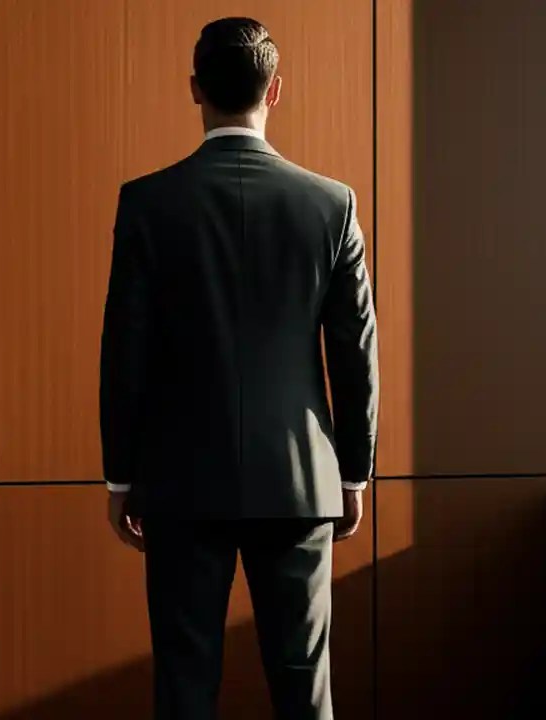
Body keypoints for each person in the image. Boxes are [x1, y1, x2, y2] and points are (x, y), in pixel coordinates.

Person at [99, 16, 379, 720]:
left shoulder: (148, 204)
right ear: (275, 90)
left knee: (185, 688)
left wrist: (121, 476)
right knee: (303, 688)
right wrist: (352, 473)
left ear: (194, 88)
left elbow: (123, 351)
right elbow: (354, 353)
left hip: (180, 483)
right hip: (299, 483)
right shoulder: (331, 205)